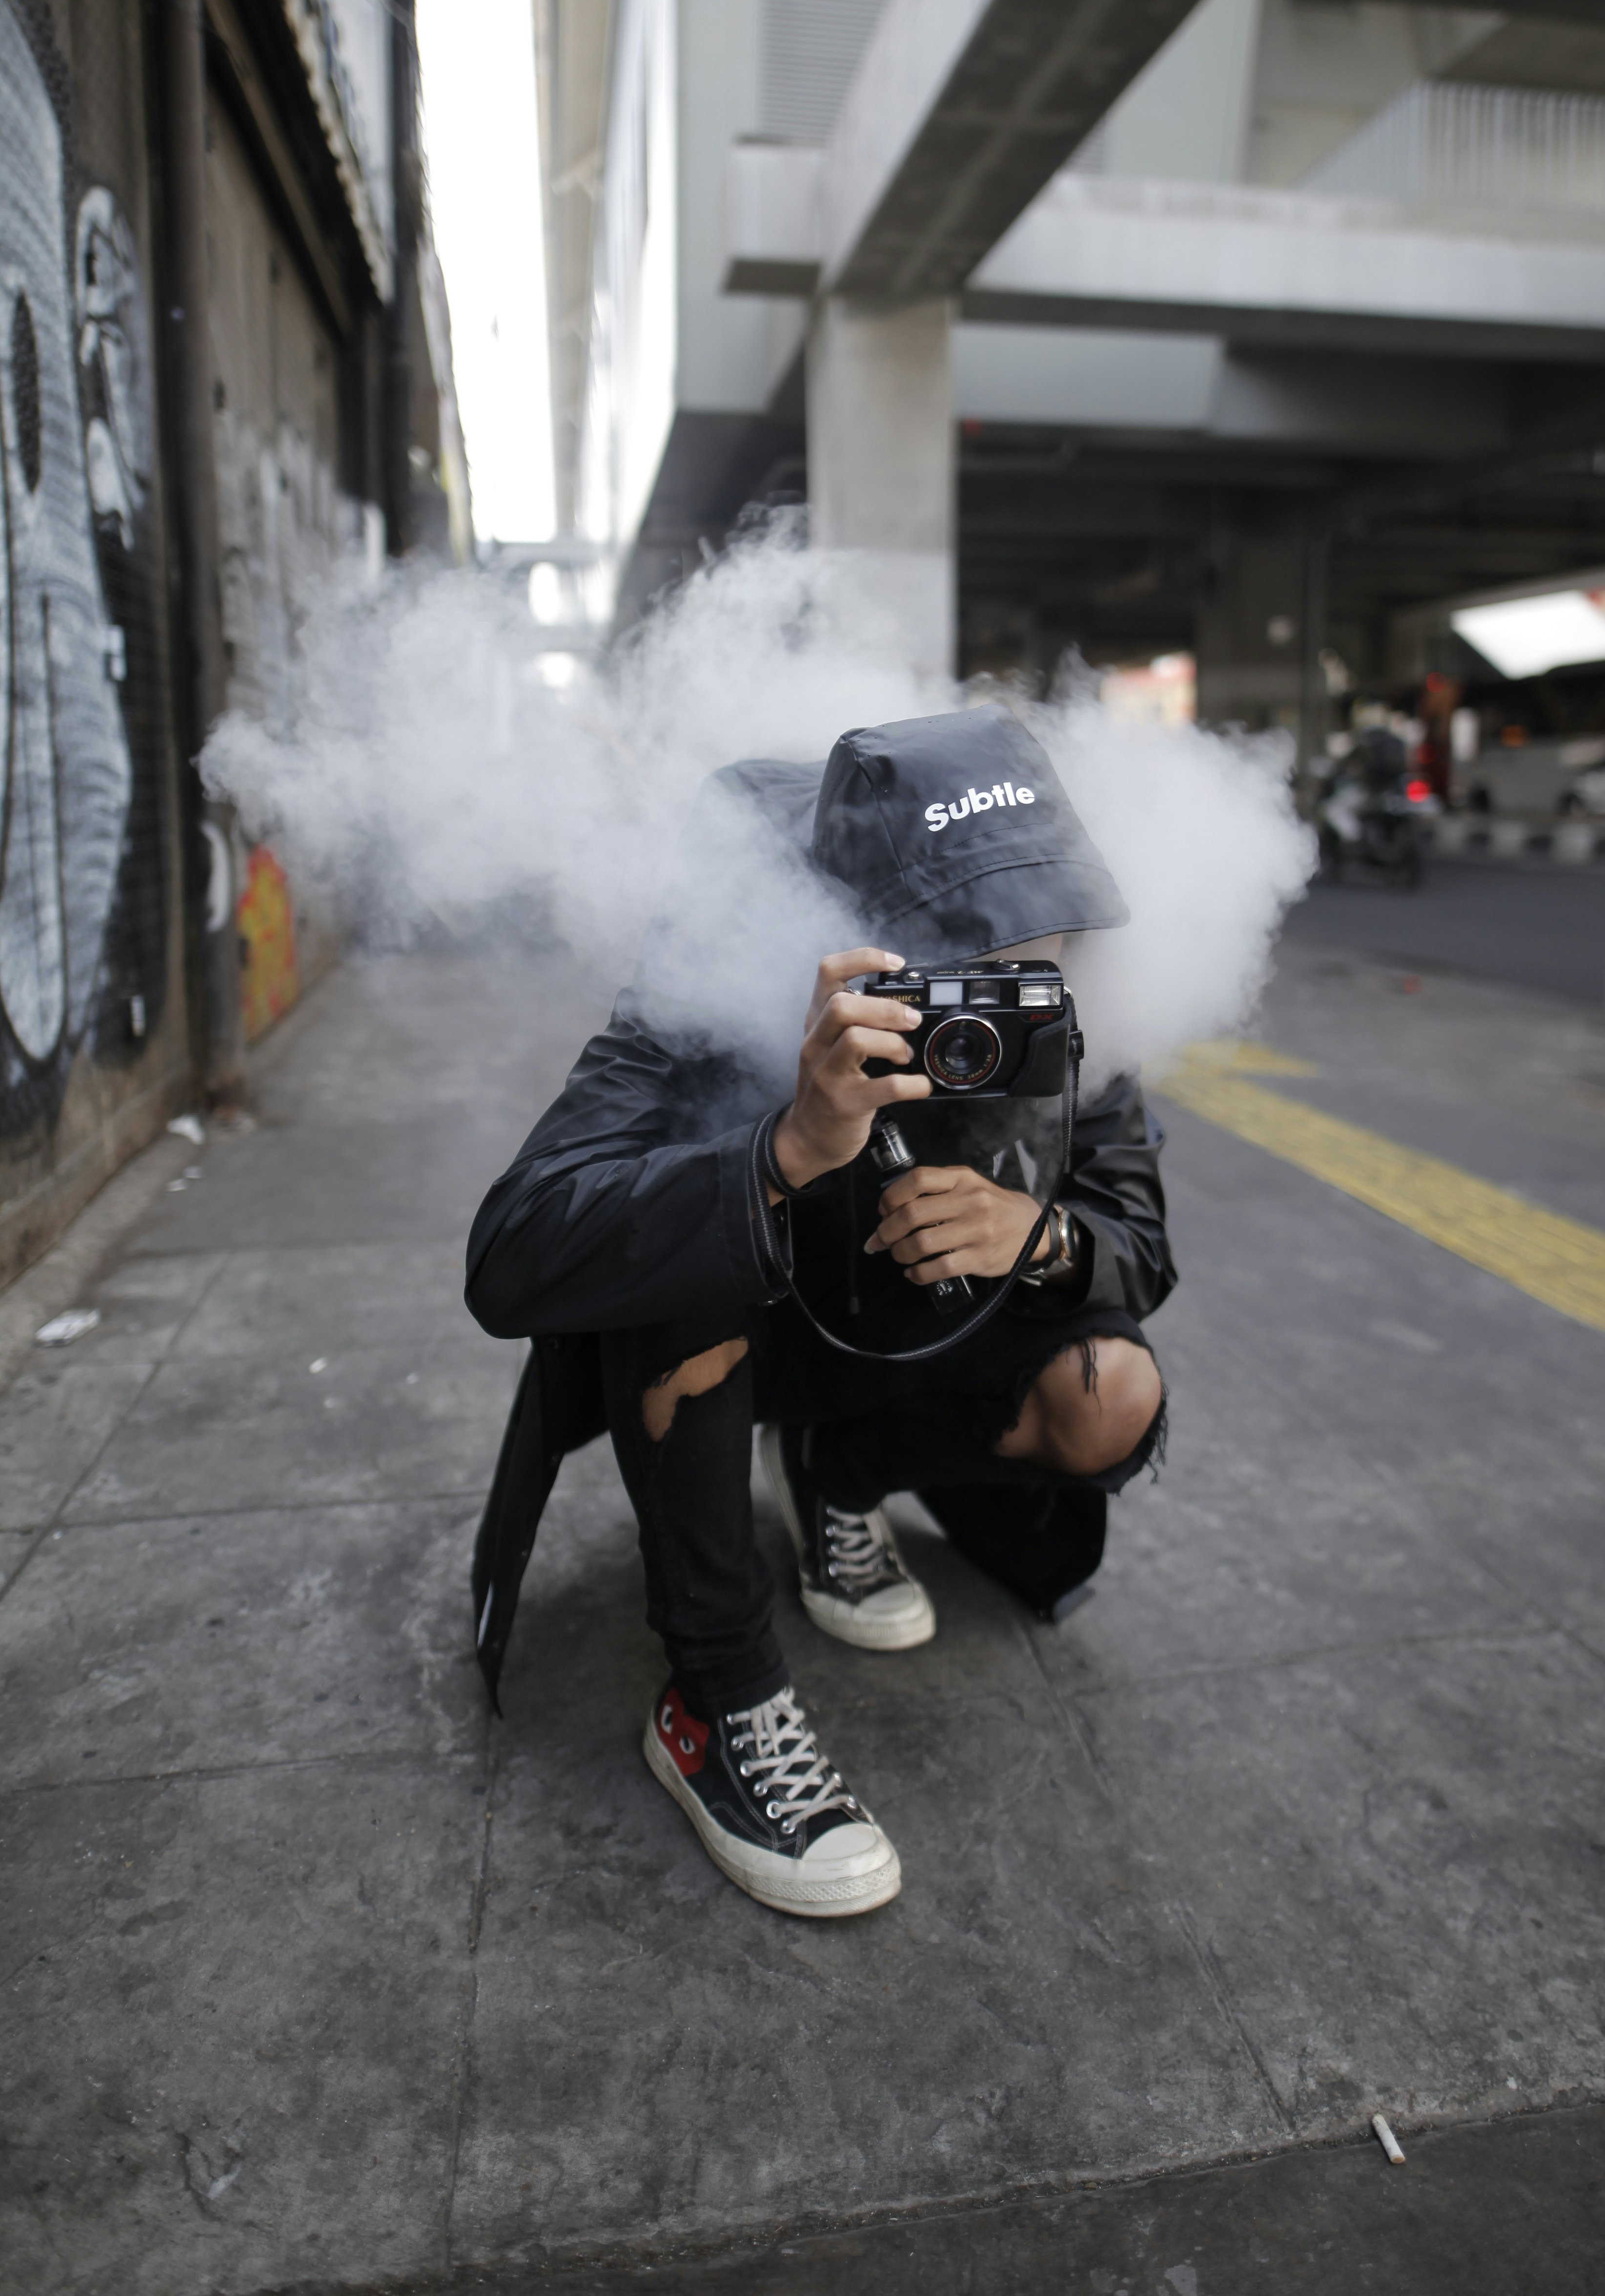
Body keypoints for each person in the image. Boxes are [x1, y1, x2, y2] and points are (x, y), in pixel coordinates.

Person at [464, 709, 1174, 1919]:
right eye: (970, 951)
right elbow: (511, 1254)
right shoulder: (707, 994)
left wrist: (1036, 1238)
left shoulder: (1065, 1016)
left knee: (1114, 1395)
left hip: (920, 1345)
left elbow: (1141, 1245)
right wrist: (783, 1149)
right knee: (676, 1249)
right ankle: (718, 1698)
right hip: (752, 1349)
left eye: (1038, 938)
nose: (1003, 987)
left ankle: (843, 1474)